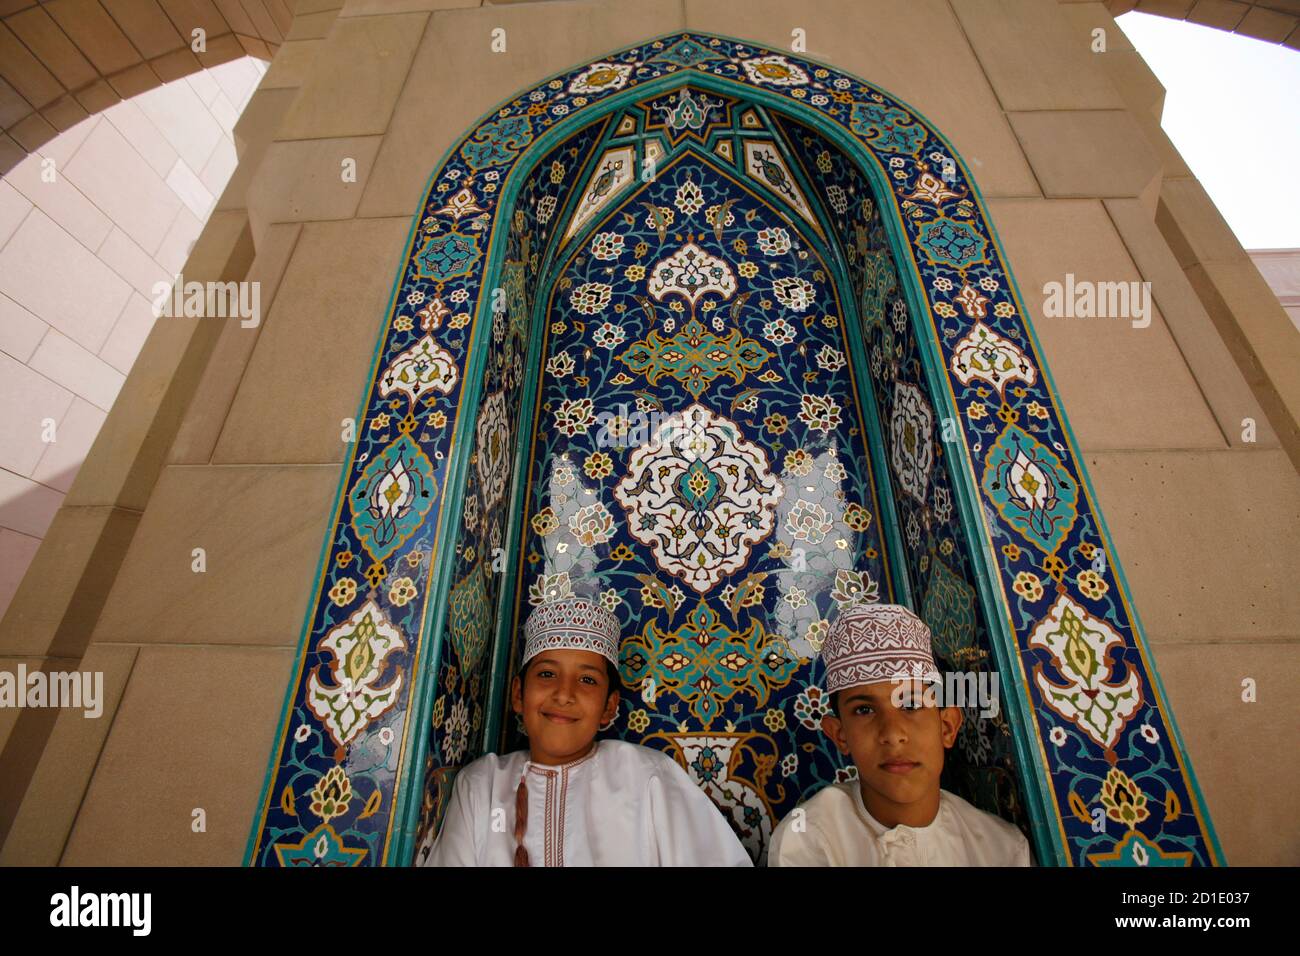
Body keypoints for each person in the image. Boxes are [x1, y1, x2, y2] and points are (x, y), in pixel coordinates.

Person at [422, 594, 752, 866]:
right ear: (519, 694)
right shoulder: (482, 785)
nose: (564, 694)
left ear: (609, 706)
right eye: (547, 674)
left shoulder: (649, 776)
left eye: (587, 680)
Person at [768, 602, 1031, 866]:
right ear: (840, 735)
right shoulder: (808, 841)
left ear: (947, 726)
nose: (893, 734)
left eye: (912, 704)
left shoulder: (1003, 850)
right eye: (864, 710)